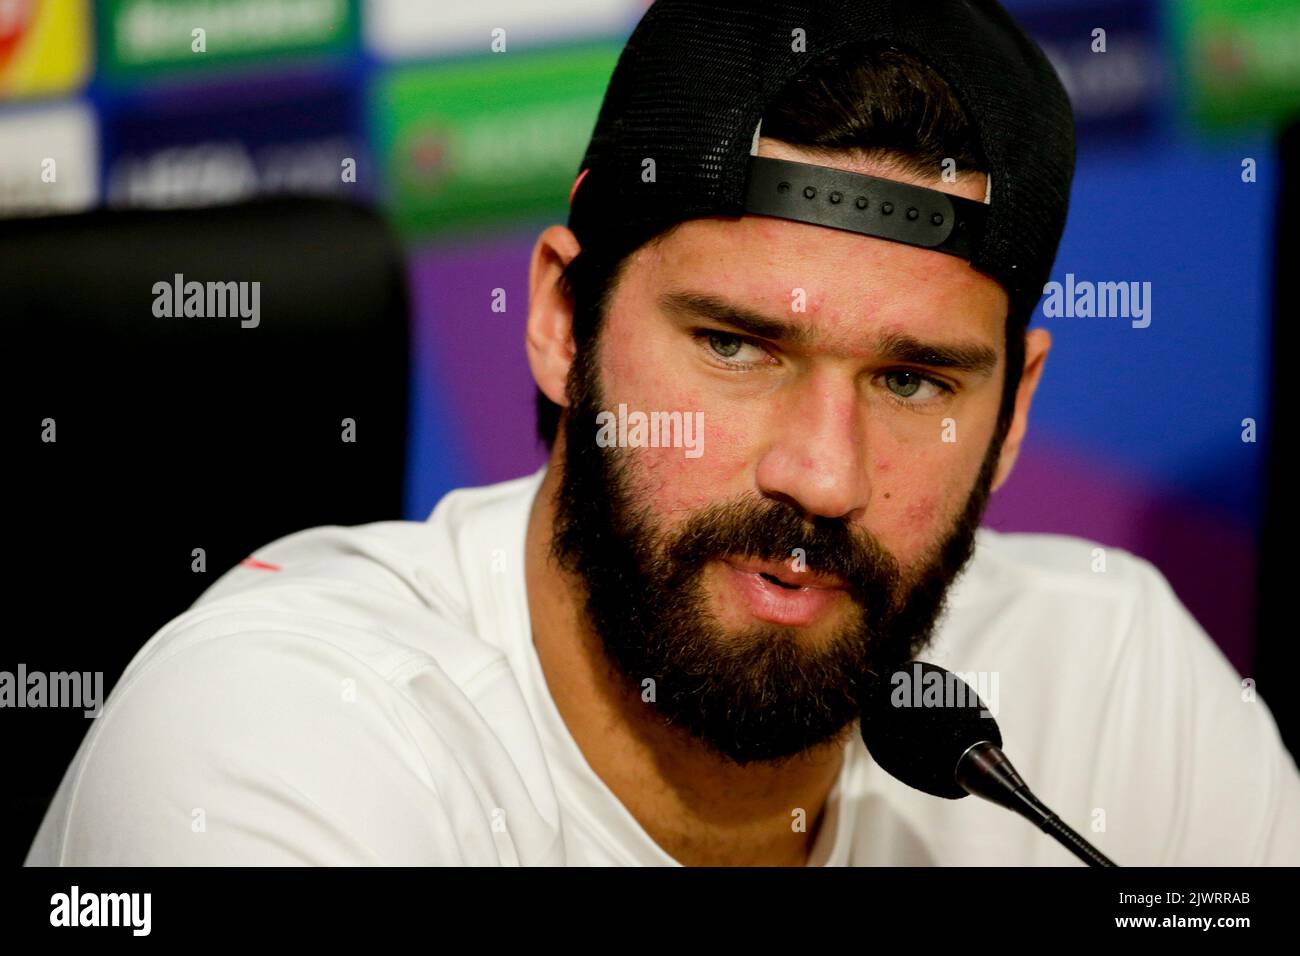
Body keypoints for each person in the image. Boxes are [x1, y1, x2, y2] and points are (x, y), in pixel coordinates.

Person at [26, 0, 1300, 866]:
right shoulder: (276, 745)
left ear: (1014, 411)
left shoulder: (1116, 688)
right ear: (561, 320)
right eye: (735, 345)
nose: (822, 472)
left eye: (913, 380)